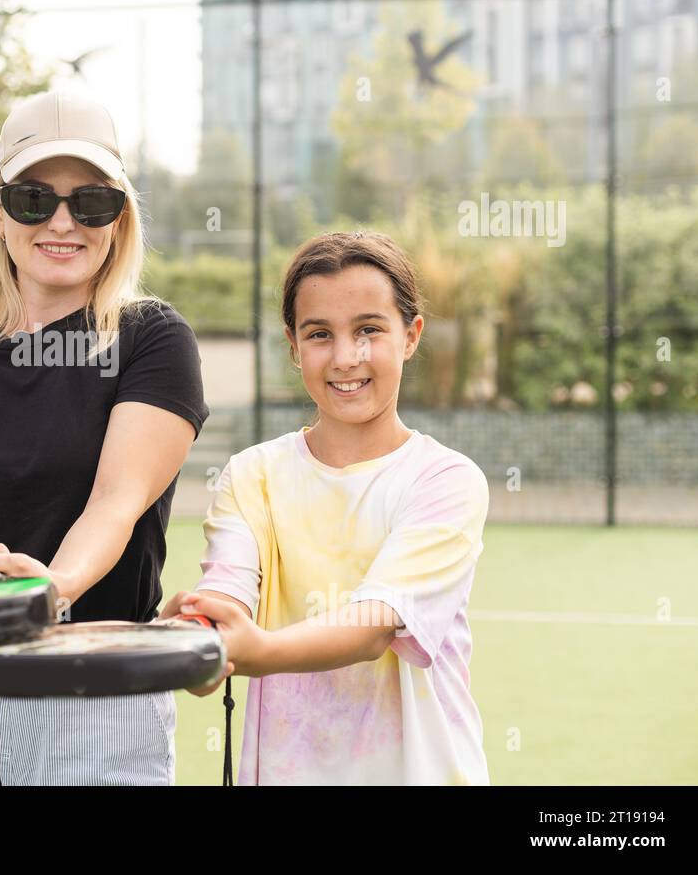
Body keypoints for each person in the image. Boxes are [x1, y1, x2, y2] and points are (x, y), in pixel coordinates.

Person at [0, 88, 208, 785]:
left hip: (98, 688)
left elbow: (116, 503)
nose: (63, 222)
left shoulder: (153, 340)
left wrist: (48, 590)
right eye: (35, 198)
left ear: (120, 219)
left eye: (91, 201)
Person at [165, 231, 490, 785]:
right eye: (320, 334)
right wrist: (195, 634)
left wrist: (257, 649)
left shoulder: (446, 481)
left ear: (410, 336)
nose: (346, 358)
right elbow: (222, 613)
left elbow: (372, 628)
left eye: (368, 330)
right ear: (294, 346)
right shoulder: (252, 476)